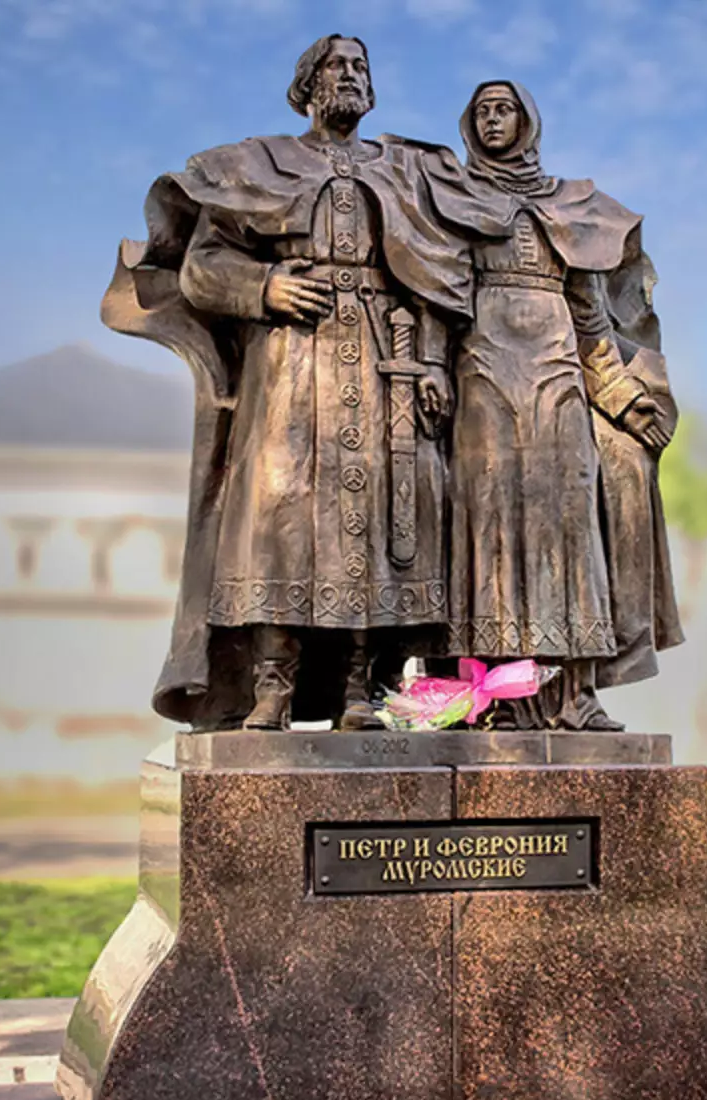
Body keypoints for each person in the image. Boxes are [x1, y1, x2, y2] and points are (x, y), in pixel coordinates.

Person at [101, 35, 475, 732]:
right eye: (336, 66)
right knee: (280, 516)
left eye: (361, 67)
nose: (351, 77)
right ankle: (272, 687)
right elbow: (203, 266)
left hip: (380, 360)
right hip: (290, 363)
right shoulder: (256, 166)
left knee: (382, 526)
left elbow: (439, 275)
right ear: (306, 84)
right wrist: (266, 285)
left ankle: (362, 691)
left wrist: (428, 362)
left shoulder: (404, 172)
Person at [430, 80, 684, 729]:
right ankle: (489, 696)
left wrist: (626, 401)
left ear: (526, 120)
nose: (492, 119)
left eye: (503, 108)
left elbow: (592, 325)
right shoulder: (451, 198)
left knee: (569, 525)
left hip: (558, 376)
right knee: (487, 527)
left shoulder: (568, 206)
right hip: (482, 372)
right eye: (482, 110)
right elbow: (431, 297)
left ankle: (574, 694)